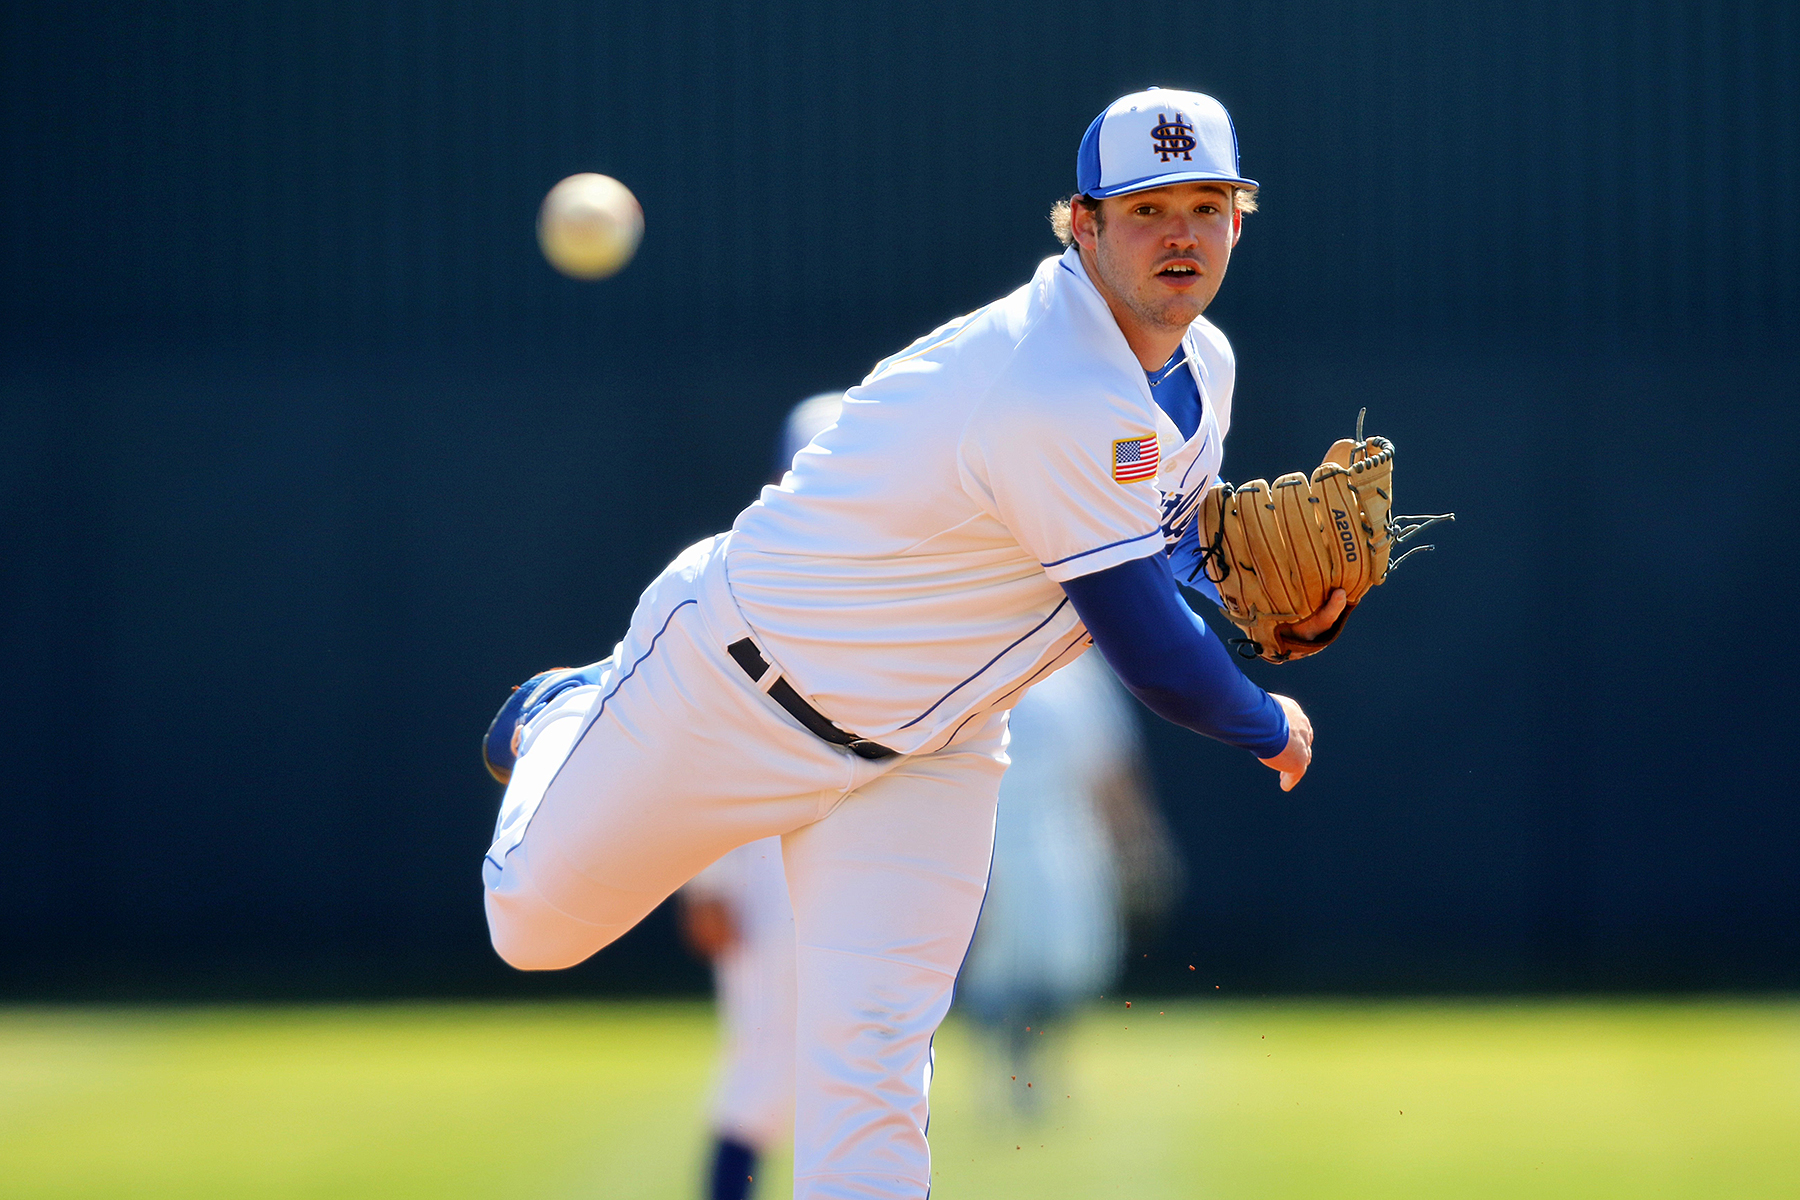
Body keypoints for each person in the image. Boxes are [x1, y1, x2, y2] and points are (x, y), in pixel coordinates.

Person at [481, 88, 1345, 1200]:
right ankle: (567, 712)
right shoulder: (1051, 378)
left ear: (1240, 220)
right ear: (1081, 226)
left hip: (928, 744)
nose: (1179, 232)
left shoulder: (1204, 366)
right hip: (739, 688)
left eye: (1206, 204)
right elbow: (1147, 648)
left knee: (874, 1075)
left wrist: (1239, 589)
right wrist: (1266, 716)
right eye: (1145, 208)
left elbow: (1166, 543)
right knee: (532, 931)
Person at [954, 647, 1175, 1116]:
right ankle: (1010, 1077)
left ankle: (1039, 1072)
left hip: (1060, 836)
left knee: (1062, 969)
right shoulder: (964, 645)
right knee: (992, 978)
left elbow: (1109, 762)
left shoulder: (1074, 665)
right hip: (980, 836)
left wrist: (1136, 843)